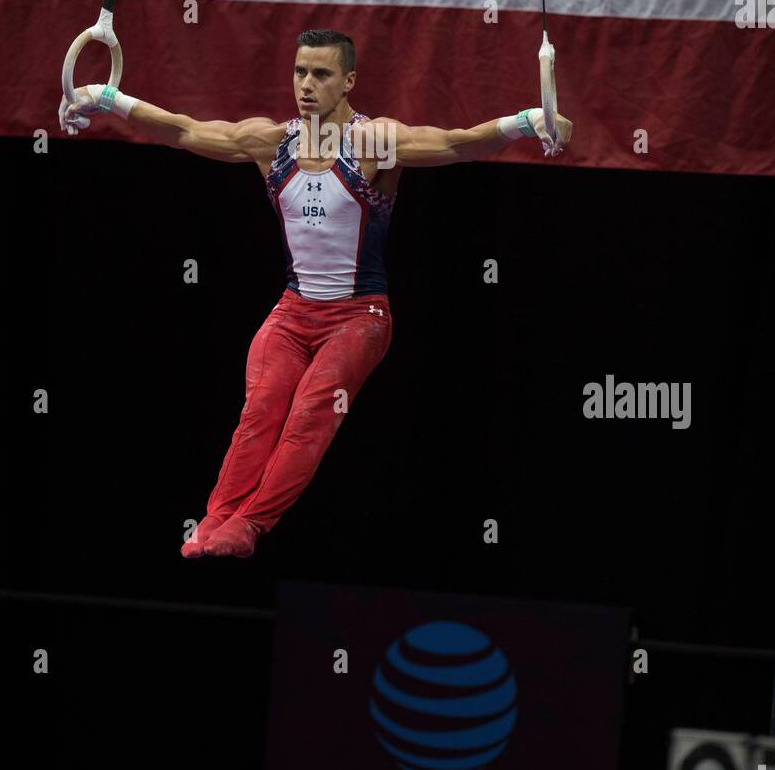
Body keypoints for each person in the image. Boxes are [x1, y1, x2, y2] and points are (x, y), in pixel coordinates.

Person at [59, 29, 572, 558]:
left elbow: (457, 142)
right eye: (301, 72)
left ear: (349, 81)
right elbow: (183, 131)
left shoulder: (375, 142)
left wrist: (526, 123)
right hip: (292, 310)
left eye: (322, 74)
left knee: (308, 415)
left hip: (359, 317)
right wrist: (105, 99)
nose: (307, 85)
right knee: (259, 411)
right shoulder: (270, 142)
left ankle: (250, 525)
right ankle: (215, 520)